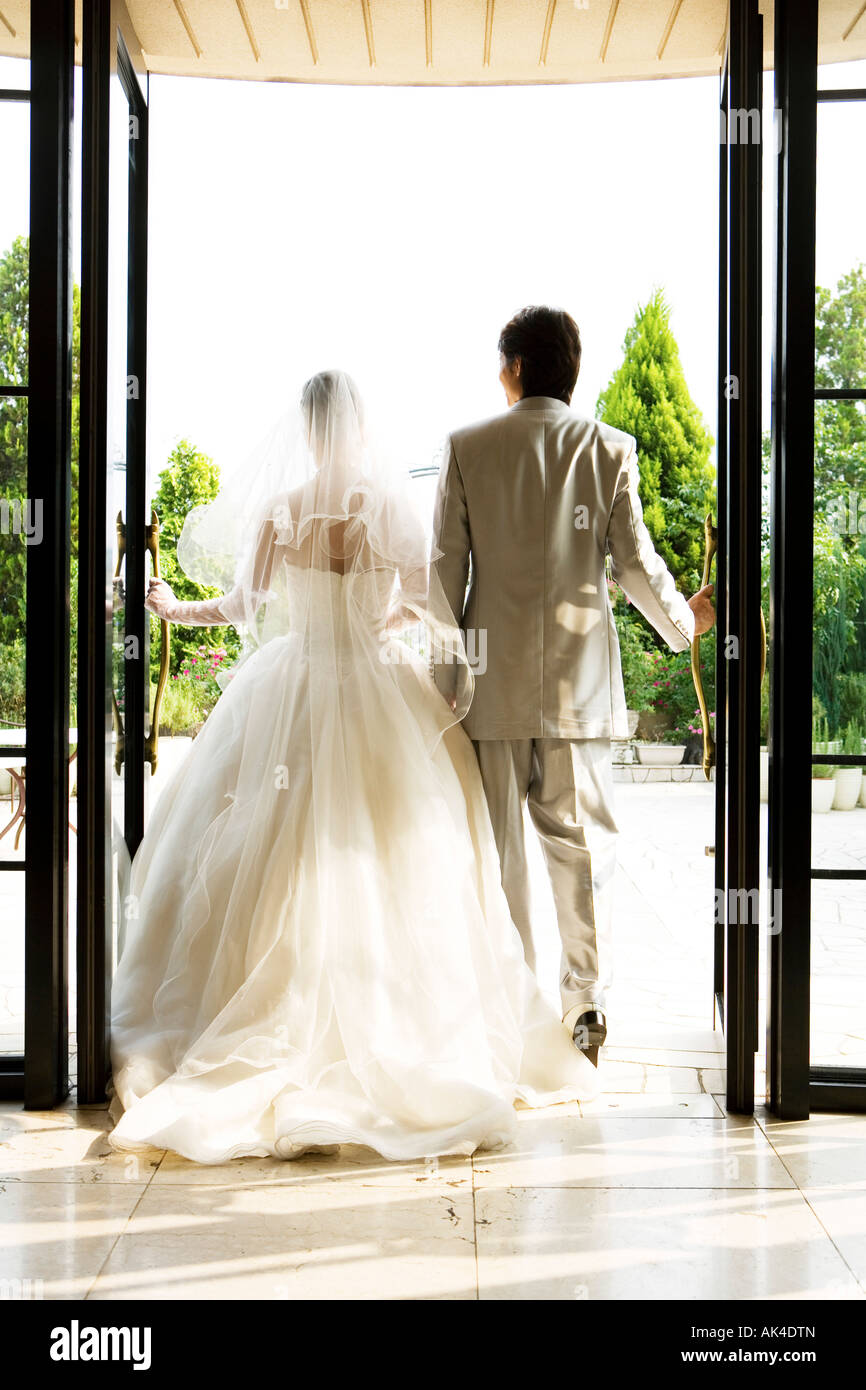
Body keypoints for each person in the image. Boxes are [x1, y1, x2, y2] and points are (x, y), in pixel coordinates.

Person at [107, 369, 598, 1167]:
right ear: (360, 430)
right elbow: (428, 602)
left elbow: (240, 608)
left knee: (268, 856)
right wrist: (386, 621)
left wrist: (169, 607)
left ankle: (250, 1018)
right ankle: (390, 1025)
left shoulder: (280, 510)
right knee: (394, 853)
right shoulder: (386, 507)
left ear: (306, 430)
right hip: (377, 684)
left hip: (290, 686)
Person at [432, 307, 715, 1066]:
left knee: (496, 854)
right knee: (580, 850)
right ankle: (583, 1003)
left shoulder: (466, 448)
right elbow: (634, 564)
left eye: (501, 363)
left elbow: (442, 577)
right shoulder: (609, 449)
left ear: (518, 366)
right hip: (578, 687)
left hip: (486, 690)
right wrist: (686, 626)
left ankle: (510, 1005)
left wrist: (444, 682)